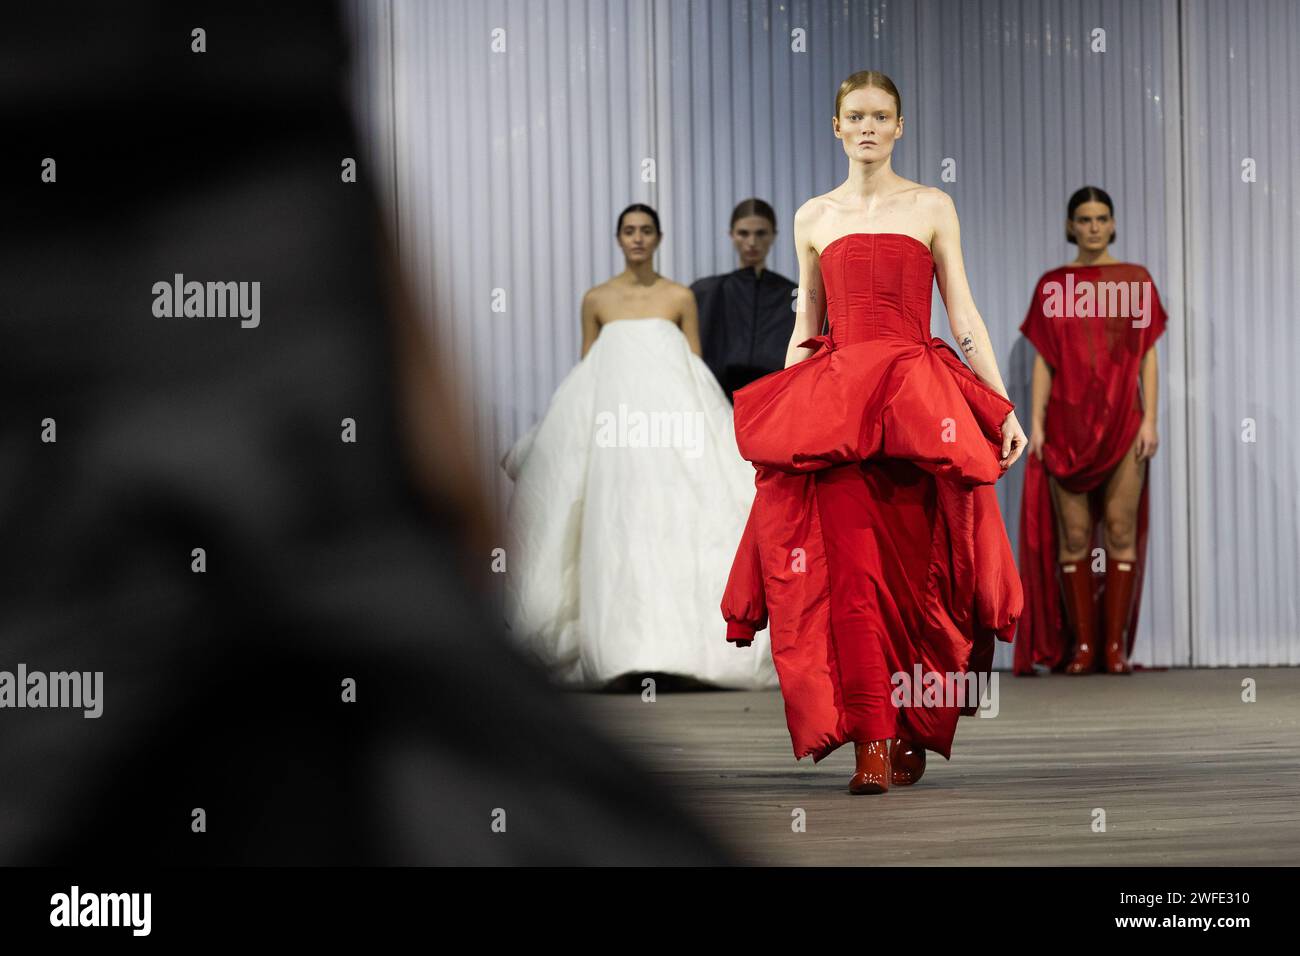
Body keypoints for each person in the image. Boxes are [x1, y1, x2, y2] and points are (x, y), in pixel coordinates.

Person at [721, 71, 1026, 794]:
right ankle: (874, 745)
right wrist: (786, 417)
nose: (866, 126)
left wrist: (1002, 406)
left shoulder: (932, 206)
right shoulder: (812, 218)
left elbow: (965, 316)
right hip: (837, 410)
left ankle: (916, 720)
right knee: (853, 583)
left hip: (920, 407)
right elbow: (807, 323)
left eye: (880, 116)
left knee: (923, 577)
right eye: (854, 115)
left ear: (899, 127)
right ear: (835, 127)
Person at [503, 205, 779, 691]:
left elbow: (693, 370)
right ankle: (618, 651)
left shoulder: (678, 297)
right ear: (618, 238)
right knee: (614, 524)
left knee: (672, 522)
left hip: (671, 430)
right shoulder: (597, 299)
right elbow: (588, 372)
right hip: (616, 431)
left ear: (658, 238)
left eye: (645, 231)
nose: (637, 239)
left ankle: (678, 649)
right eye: (629, 231)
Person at [1013, 186, 1168, 676]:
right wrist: (1034, 423)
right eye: (1084, 219)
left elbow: (1147, 355)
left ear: (1114, 224)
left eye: (1102, 218)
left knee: (1120, 531)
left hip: (1123, 422)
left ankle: (1114, 650)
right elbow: (1045, 361)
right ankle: (1082, 648)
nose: (1094, 226)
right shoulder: (1052, 286)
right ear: (1070, 227)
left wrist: (1151, 418)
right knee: (1075, 536)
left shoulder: (1136, 280)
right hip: (1066, 425)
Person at [691, 199, 798, 401]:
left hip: (774, 402)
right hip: (716, 402)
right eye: (743, 233)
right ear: (731, 235)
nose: (751, 242)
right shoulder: (705, 293)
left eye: (760, 233)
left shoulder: (793, 296)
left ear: (773, 235)